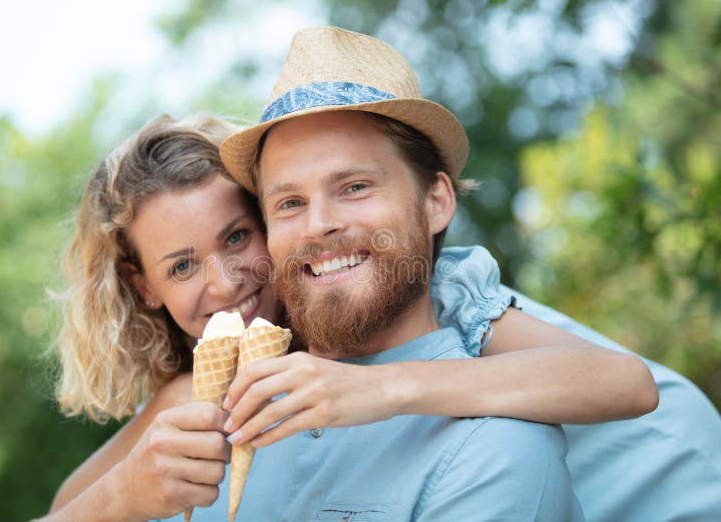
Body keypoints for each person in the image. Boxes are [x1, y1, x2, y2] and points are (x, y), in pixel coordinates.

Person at [36, 108, 655, 521]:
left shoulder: (429, 296)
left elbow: (627, 383)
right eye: (180, 267)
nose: (227, 283)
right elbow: (66, 505)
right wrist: (121, 496)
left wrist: (377, 386)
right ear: (142, 287)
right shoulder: (187, 398)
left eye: (237, 237)